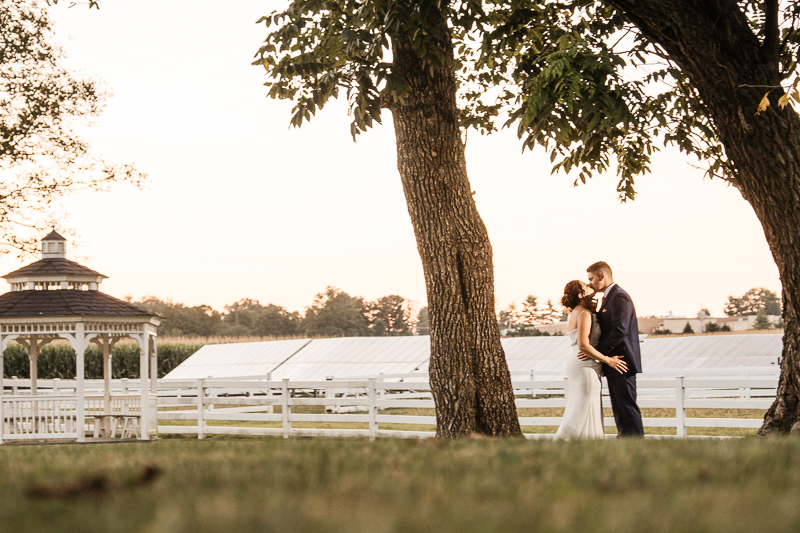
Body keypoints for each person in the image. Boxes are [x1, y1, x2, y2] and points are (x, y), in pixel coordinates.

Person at [554, 280, 628, 440]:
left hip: (581, 366)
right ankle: (561, 444)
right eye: (586, 287)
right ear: (581, 294)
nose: (590, 287)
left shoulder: (575, 312)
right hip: (586, 367)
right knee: (581, 410)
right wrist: (608, 360)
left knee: (581, 408)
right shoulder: (584, 314)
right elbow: (583, 345)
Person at [579, 261, 644, 437]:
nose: (590, 283)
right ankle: (626, 441)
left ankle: (635, 443)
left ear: (602, 275)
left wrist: (598, 352)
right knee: (619, 407)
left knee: (626, 406)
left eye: (592, 279)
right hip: (614, 362)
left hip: (622, 361)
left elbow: (619, 330)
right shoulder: (609, 297)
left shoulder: (620, 297)